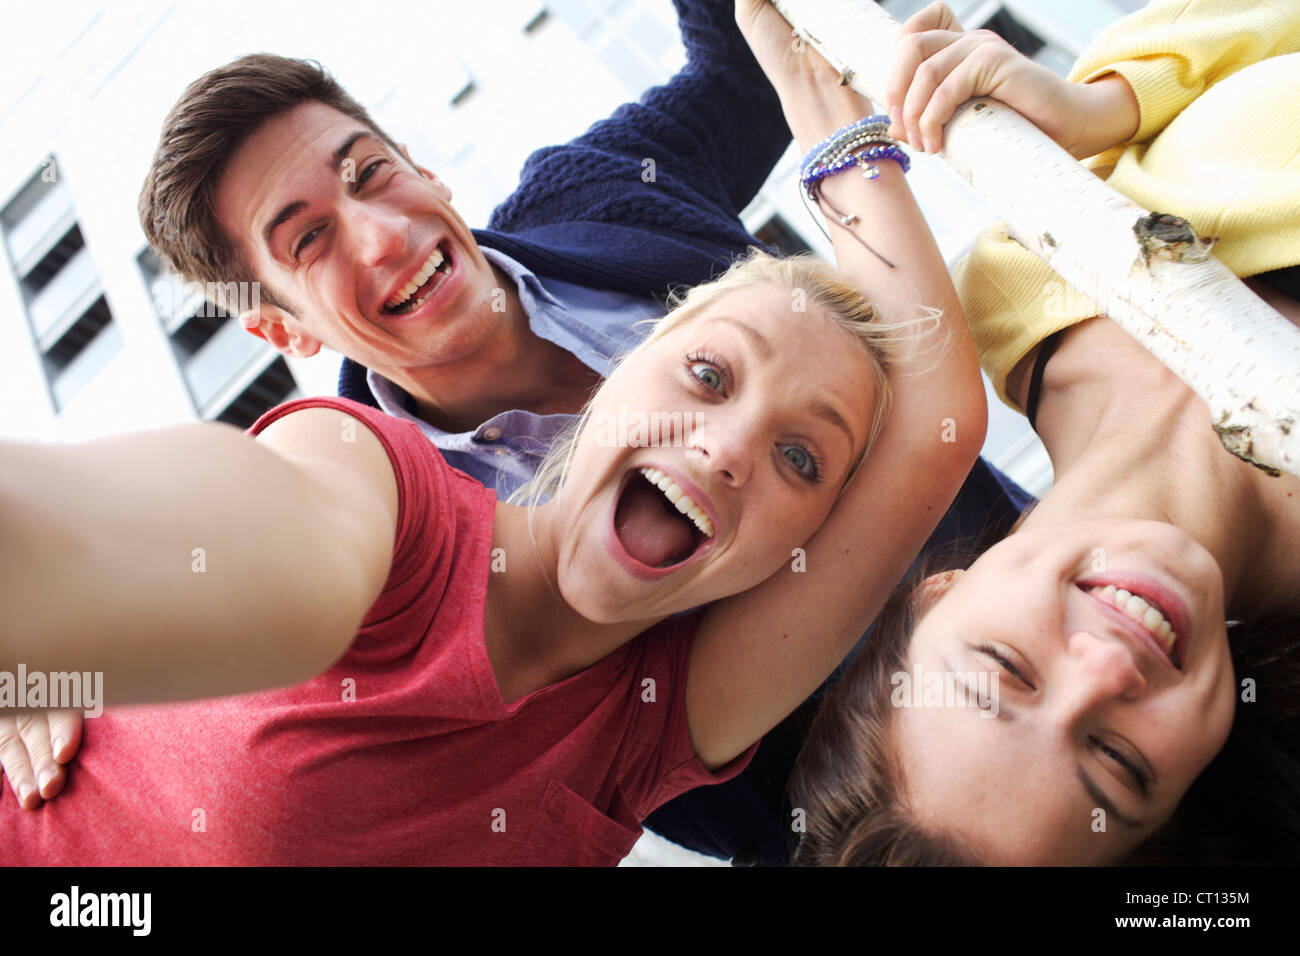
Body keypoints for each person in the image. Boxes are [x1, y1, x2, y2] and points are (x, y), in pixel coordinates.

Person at [0, 0, 1030, 864]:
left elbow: (752, 66)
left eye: (371, 173)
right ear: (280, 330)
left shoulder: (640, 721)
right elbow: (251, 536)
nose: (383, 234)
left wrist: (847, 123)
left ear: (422, 166)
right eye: (309, 239)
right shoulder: (376, 486)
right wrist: (50, 626)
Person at [790, 0, 1300, 866]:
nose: (1108, 670)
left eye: (1006, 668)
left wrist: (1109, 104)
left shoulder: (1015, 287)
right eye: (1121, 763)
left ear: (936, 595)